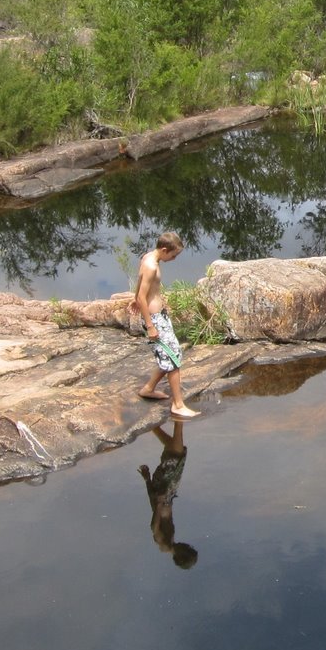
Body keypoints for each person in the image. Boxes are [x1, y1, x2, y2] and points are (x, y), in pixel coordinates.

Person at [135, 230, 199, 419]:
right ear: (164, 249)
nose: (174, 258)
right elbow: (142, 295)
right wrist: (150, 325)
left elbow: (139, 284)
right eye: (174, 254)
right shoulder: (151, 265)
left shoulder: (149, 258)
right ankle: (178, 405)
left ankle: (148, 389)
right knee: (173, 359)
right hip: (155, 320)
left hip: (160, 317)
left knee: (172, 353)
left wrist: (133, 299)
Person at [138, 421, 198, 569]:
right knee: (175, 452)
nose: (186, 545)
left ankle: (178, 416)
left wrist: (158, 503)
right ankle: (153, 426)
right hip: (167, 493)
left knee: (175, 455)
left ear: (181, 555)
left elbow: (154, 527)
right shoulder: (171, 540)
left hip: (162, 493)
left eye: (187, 548)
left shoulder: (164, 545)